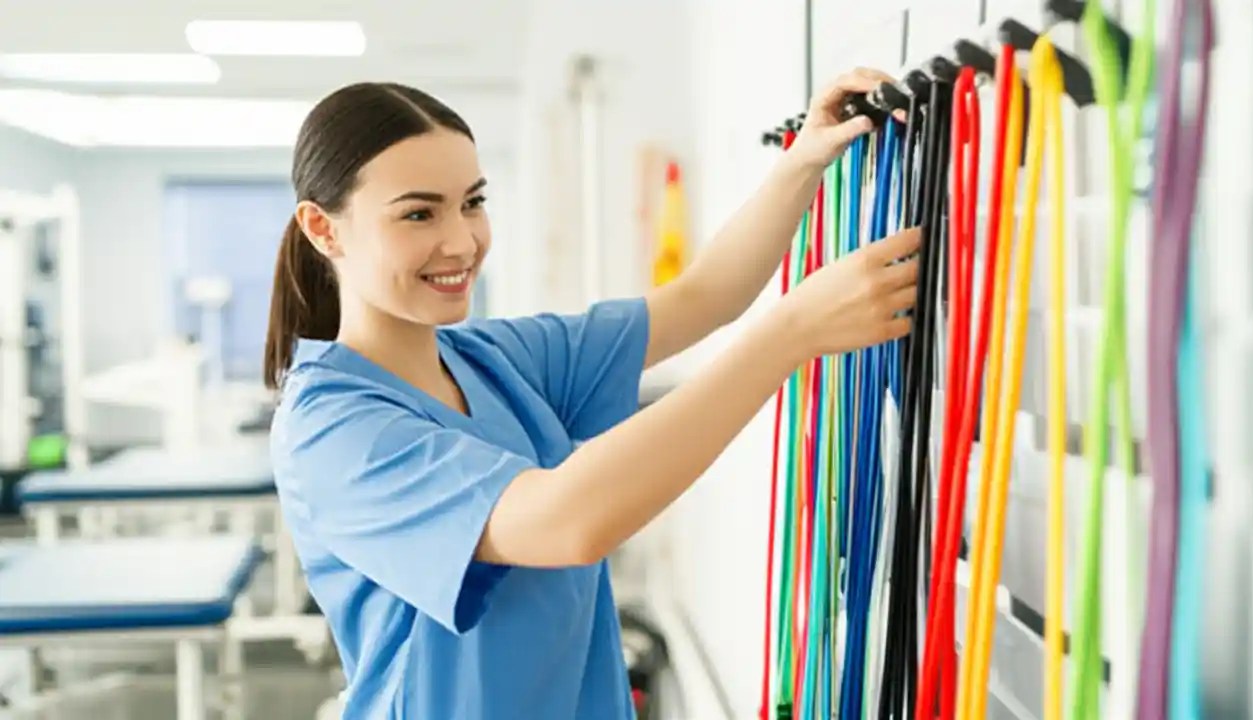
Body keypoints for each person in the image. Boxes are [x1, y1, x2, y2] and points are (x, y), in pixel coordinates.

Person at [265, 68, 920, 719]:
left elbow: (704, 297)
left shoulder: (493, 359)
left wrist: (802, 162)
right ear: (324, 229)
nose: (461, 241)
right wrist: (788, 335)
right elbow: (566, 522)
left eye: (473, 202)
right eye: (418, 213)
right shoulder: (331, 431)